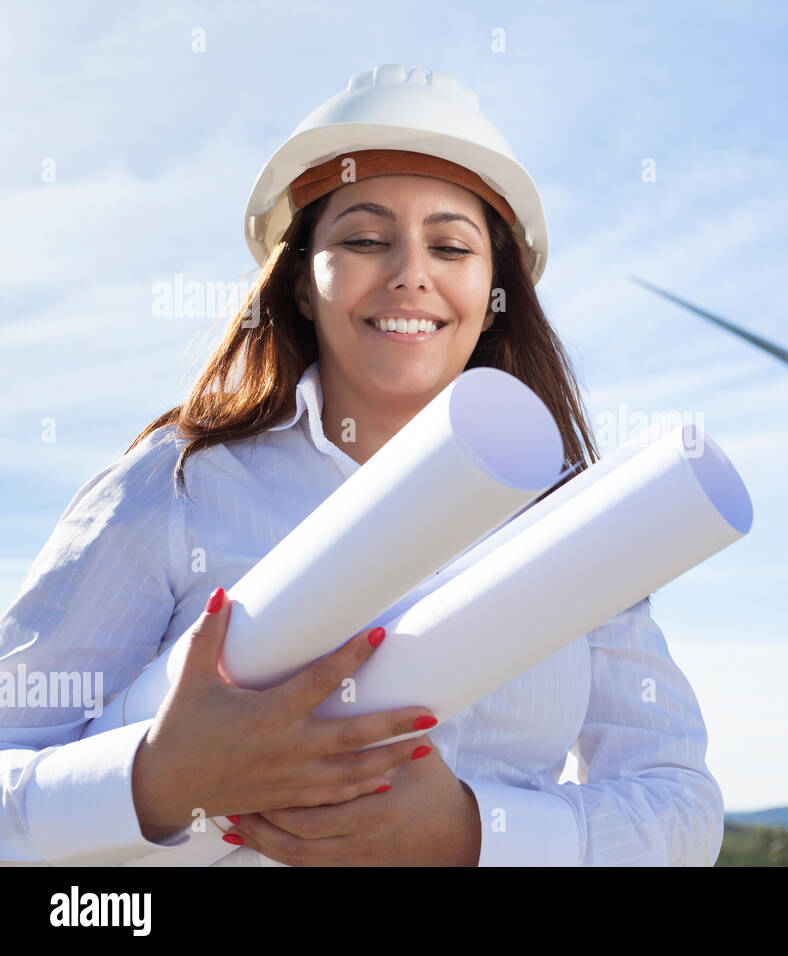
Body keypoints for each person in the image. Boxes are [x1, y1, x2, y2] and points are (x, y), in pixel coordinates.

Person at [0, 66, 725, 867]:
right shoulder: (179, 485)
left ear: (492, 293)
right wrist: (158, 782)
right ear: (303, 284)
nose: (411, 272)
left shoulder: (573, 527)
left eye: (450, 245)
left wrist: (470, 834)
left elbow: (678, 811)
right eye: (364, 239)